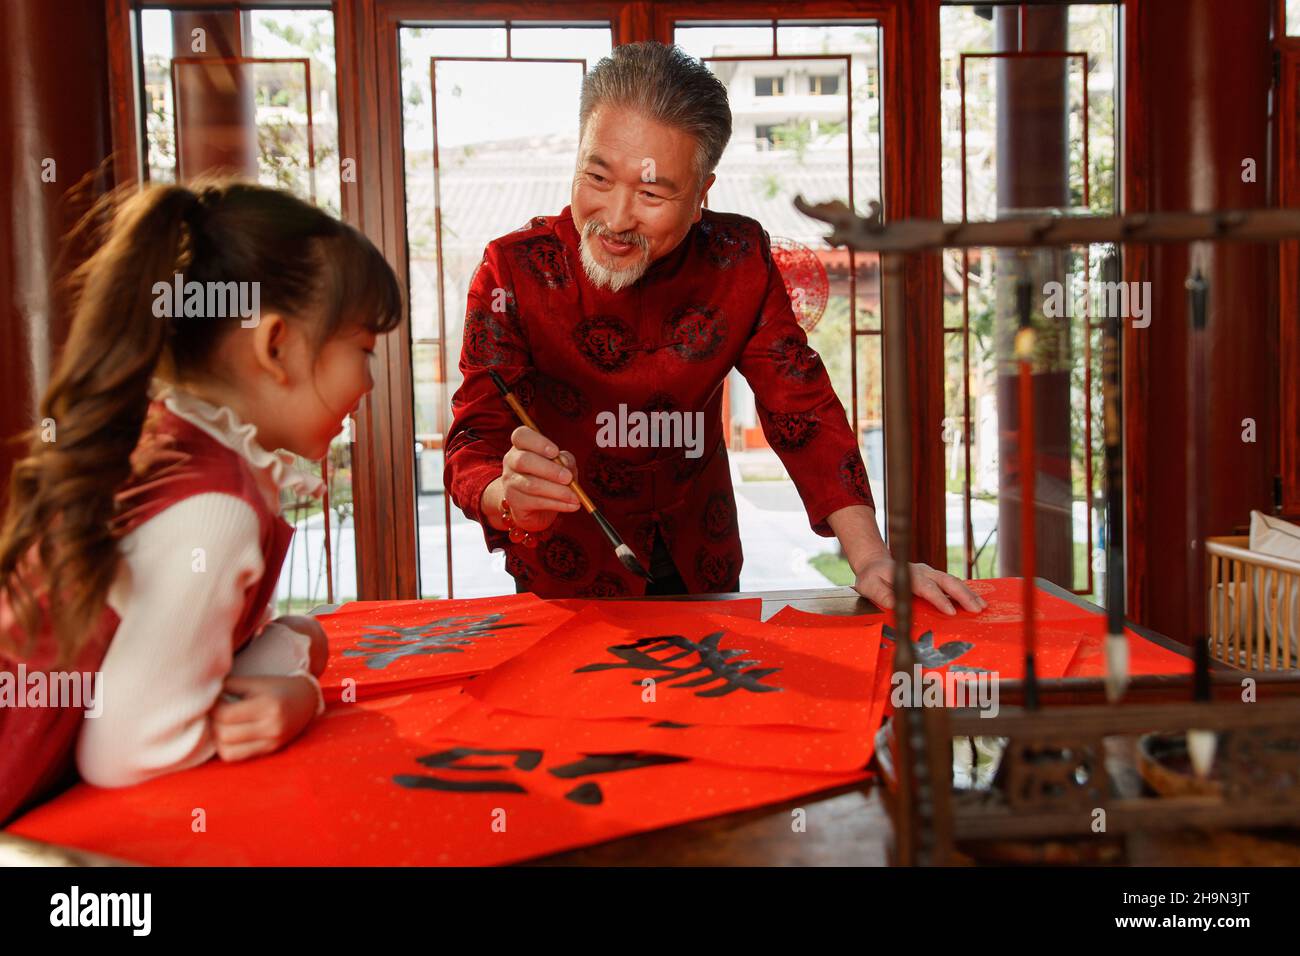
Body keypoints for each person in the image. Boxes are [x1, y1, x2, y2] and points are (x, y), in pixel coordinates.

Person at [444, 41, 985, 615]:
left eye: (652, 193)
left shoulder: (737, 258)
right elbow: (473, 438)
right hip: (568, 571)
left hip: (701, 558)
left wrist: (872, 557)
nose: (618, 217)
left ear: (702, 196)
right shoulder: (514, 269)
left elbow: (801, 407)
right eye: (596, 178)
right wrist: (507, 496)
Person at [0, 180, 401, 825]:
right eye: (363, 348)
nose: (369, 382)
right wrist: (301, 700)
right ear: (275, 348)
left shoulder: (170, 444)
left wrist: (300, 647)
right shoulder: (215, 511)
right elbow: (130, 748)